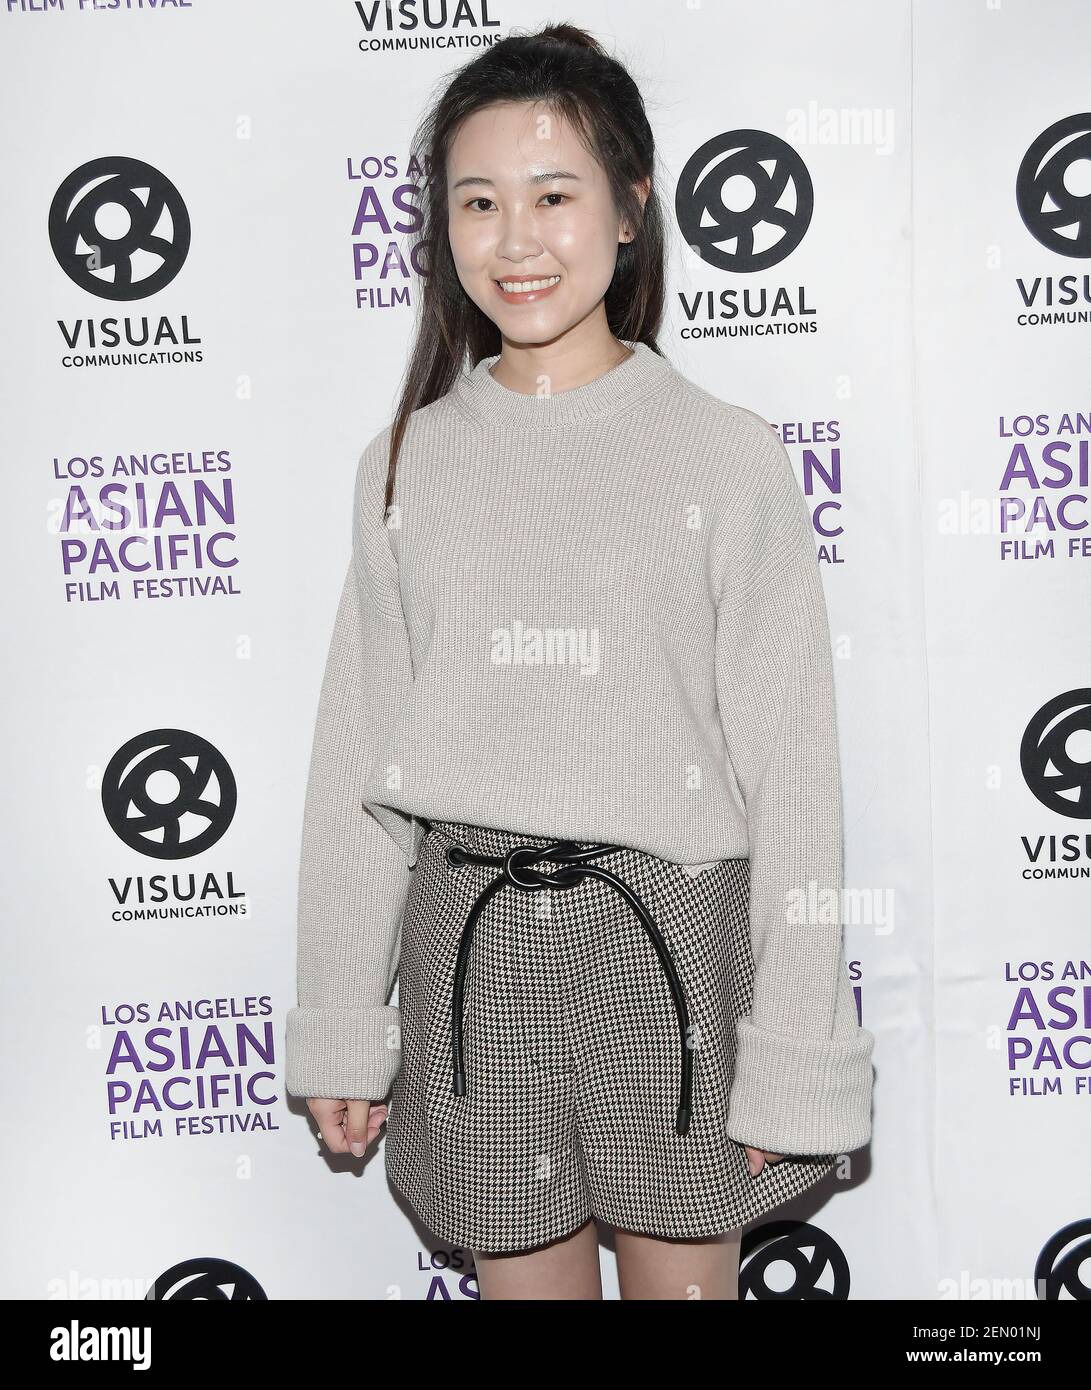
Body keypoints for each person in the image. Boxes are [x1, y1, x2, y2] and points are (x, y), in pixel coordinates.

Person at [285, 22, 875, 1301]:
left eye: (553, 196)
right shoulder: (403, 465)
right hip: (470, 960)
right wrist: (339, 1017)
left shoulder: (725, 458)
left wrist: (795, 1050)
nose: (514, 239)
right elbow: (357, 770)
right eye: (478, 201)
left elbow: (795, 779)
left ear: (630, 208)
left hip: (669, 944)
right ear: (440, 228)